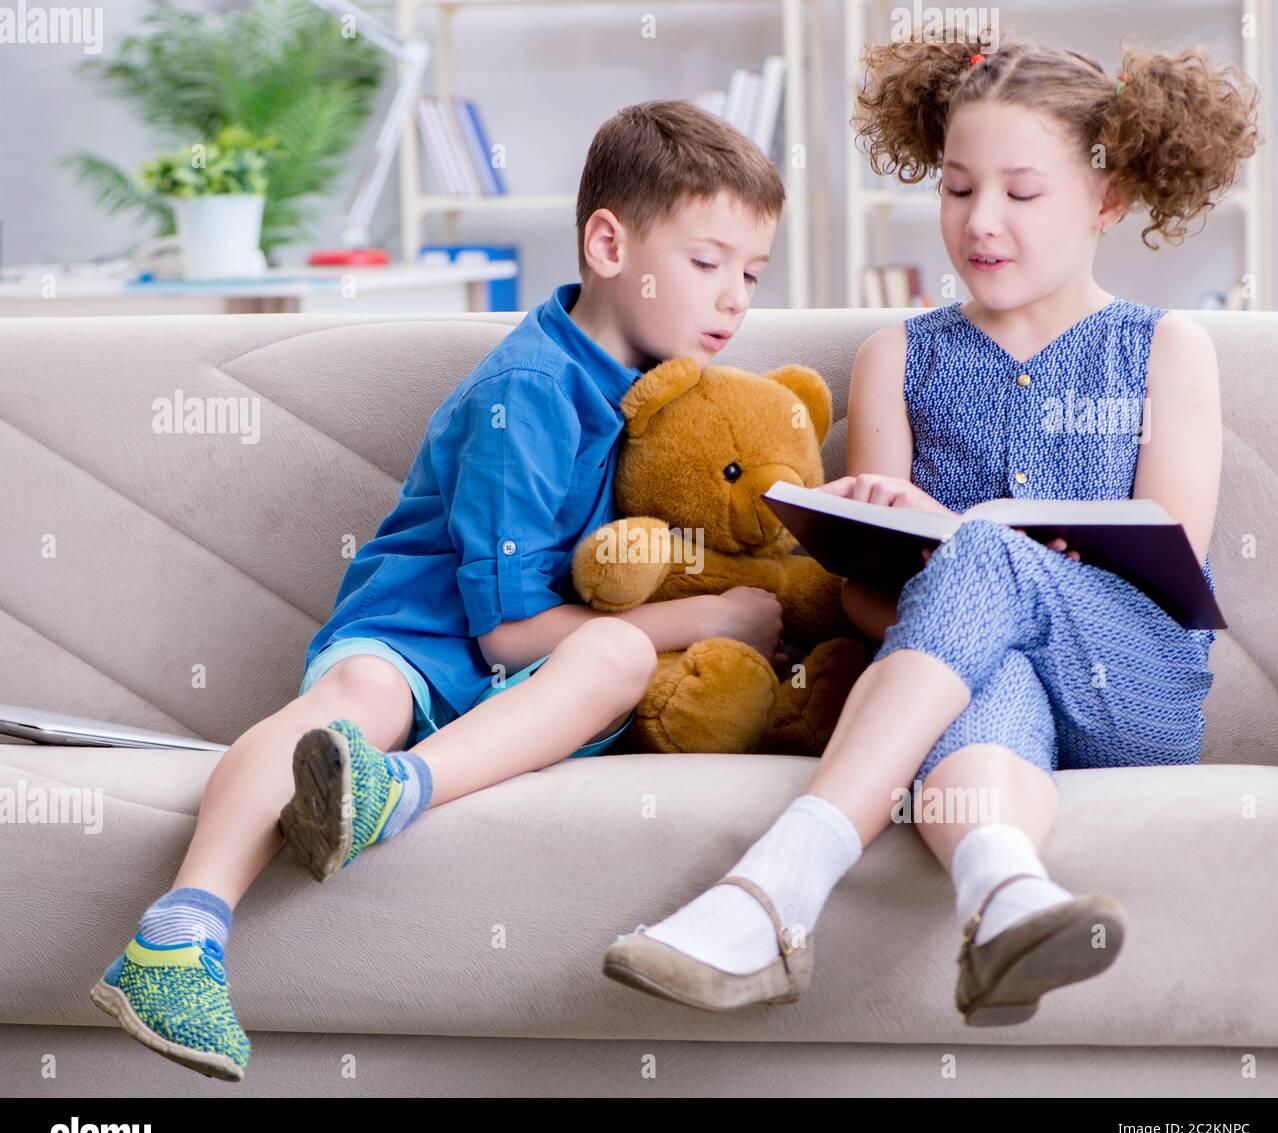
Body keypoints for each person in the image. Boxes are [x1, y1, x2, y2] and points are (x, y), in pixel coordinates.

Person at [89, 99, 786, 1080]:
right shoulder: (534, 387)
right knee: (356, 702)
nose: (734, 300)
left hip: (520, 681)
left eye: (752, 274)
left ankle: (393, 789)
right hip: (425, 634)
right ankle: (179, 929)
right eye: (708, 263)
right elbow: (505, 637)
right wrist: (714, 615)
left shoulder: (669, 391)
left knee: (623, 654)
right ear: (606, 242)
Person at [603, 29, 1258, 1025]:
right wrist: (931, 558)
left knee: (982, 548)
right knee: (980, 663)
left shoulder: (1166, 348)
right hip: (965, 684)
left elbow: (1165, 565)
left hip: (1131, 685)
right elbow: (867, 592)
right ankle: (1006, 900)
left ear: (1107, 197)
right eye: (956, 189)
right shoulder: (895, 357)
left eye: (1021, 193)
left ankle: (779, 882)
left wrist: (960, 537)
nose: (980, 221)